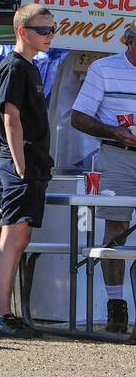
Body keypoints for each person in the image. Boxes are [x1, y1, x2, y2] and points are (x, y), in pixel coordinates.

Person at [0, 3, 56, 337]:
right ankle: (0, 315)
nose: (49, 36)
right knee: (11, 236)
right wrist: (20, 164)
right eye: (43, 30)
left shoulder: (29, 67)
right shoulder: (13, 66)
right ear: (22, 32)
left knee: (20, 236)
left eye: (52, 29)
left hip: (30, 163)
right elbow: (10, 117)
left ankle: (7, 313)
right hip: (20, 162)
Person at [70, 22, 136, 333]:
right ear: (129, 42)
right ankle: (116, 308)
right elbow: (79, 117)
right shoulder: (104, 68)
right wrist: (113, 131)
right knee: (116, 226)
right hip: (116, 154)